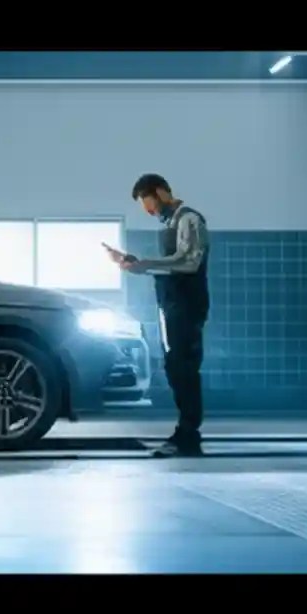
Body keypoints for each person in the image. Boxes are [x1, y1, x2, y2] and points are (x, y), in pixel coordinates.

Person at [107, 173, 210, 457]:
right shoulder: (170, 223)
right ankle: (185, 432)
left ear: (162, 191)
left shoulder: (190, 219)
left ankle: (189, 435)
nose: (147, 209)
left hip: (187, 306)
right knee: (174, 368)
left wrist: (143, 265)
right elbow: (168, 264)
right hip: (171, 305)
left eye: (147, 201)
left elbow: (188, 263)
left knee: (185, 369)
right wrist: (134, 263)